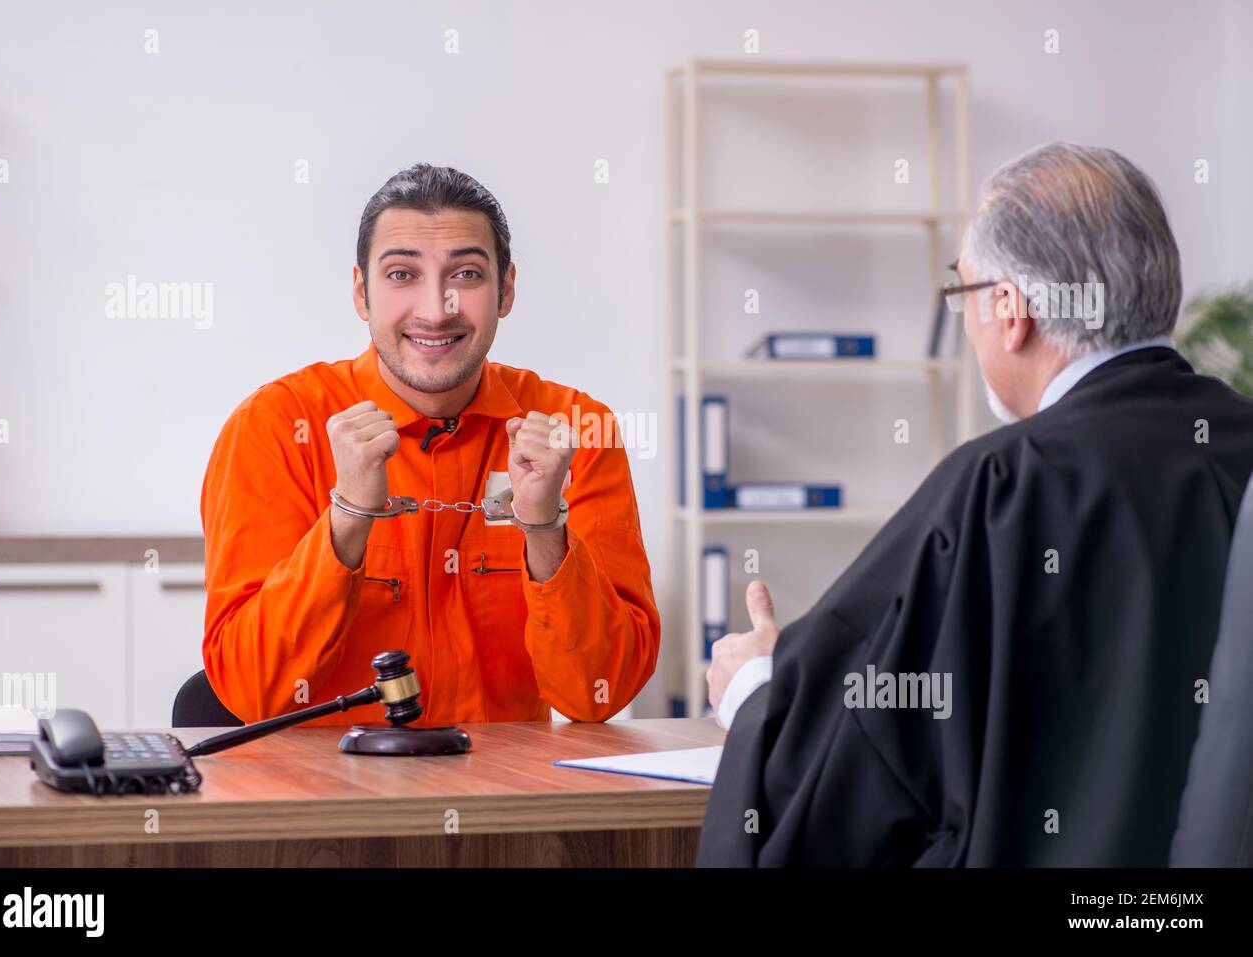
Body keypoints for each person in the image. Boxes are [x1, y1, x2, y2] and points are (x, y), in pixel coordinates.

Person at [699, 142, 1253, 866]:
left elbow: (855, 778)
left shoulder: (1004, 487)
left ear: (1010, 311)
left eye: (963, 294)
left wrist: (757, 692)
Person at [200, 163, 658, 726]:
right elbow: (253, 691)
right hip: (330, 801)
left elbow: (599, 694)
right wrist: (347, 517)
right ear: (361, 293)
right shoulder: (275, 426)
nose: (435, 309)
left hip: (506, 801)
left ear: (506, 289)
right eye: (401, 275)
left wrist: (544, 531)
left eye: (466, 274)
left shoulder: (578, 429)